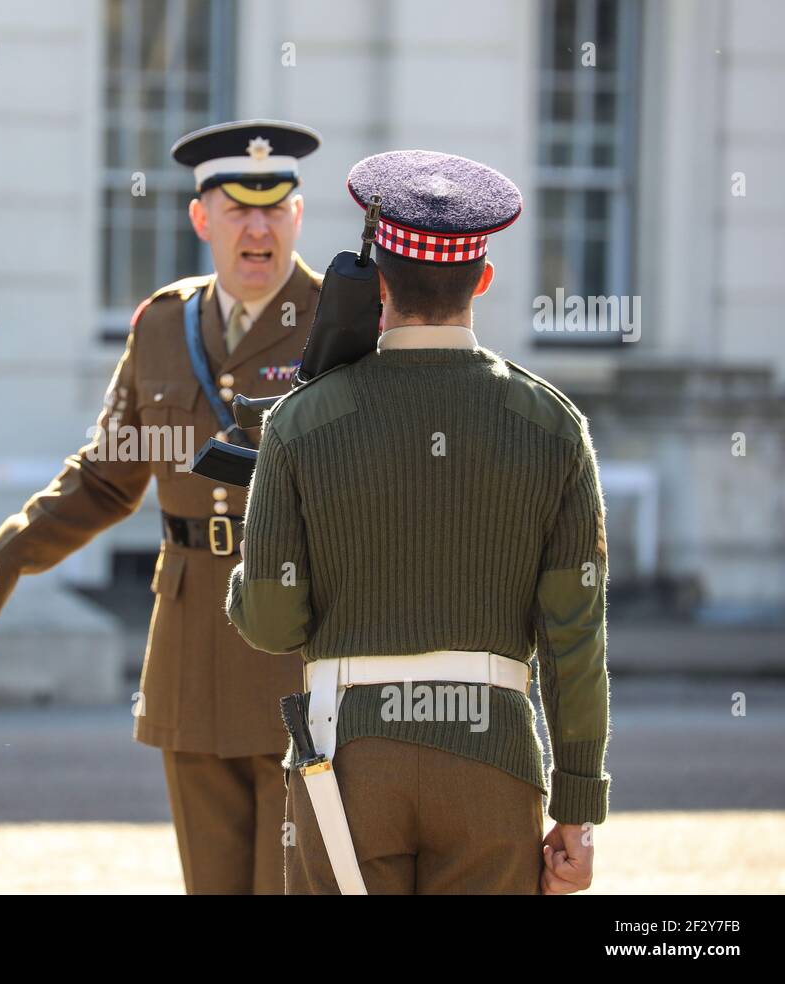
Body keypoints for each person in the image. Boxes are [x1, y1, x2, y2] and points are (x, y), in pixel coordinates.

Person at [0, 120, 323, 893]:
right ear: (201, 218)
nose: (257, 227)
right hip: (192, 645)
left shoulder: (342, 325)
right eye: (237, 208)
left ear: (298, 214)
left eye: (275, 208)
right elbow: (105, 478)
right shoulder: (160, 327)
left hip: (302, 644)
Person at [227, 150, 610, 895]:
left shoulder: (303, 421)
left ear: (379, 283)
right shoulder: (552, 426)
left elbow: (272, 621)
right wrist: (577, 802)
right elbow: (574, 636)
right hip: (493, 759)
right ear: (484, 280)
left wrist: (251, 581)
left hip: (345, 759)